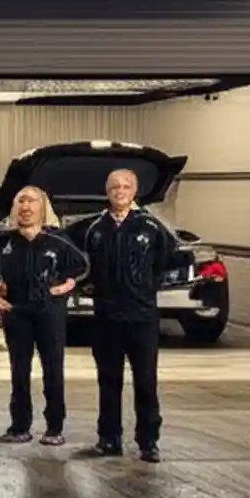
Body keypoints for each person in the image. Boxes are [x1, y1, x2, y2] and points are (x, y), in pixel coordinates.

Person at [79, 168, 181, 463]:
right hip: (106, 318)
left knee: (145, 381)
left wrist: (146, 288)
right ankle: (109, 438)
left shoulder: (151, 227)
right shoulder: (96, 229)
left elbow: (167, 260)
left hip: (142, 318)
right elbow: (86, 267)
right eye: (114, 187)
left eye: (125, 187)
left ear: (134, 191)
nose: (119, 192)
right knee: (108, 380)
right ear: (107, 191)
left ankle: (148, 441)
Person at [0, 185, 87, 448]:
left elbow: (82, 267)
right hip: (16, 314)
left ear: (42, 207)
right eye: (21, 201)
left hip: (49, 313)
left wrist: (67, 286)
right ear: (15, 208)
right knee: (19, 371)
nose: (26, 207)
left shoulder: (58, 240)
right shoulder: (1, 241)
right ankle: (19, 427)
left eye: (32, 201)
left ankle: (54, 427)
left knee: (53, 369)